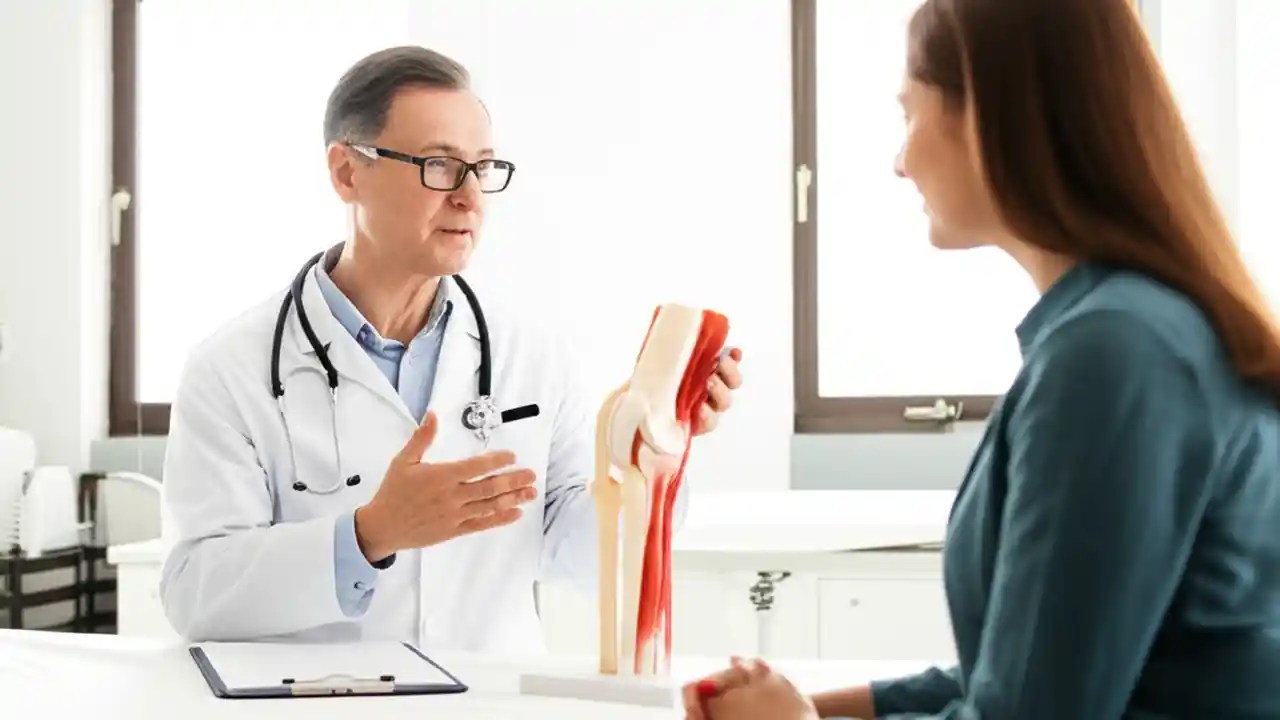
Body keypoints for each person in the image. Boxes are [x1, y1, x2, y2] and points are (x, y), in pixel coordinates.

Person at [684, 0, 1280, 718]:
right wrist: (827, 707)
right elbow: (1026, 668)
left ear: (994, 115)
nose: (899, 161)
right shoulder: (1134, 330)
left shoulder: (1111, 355)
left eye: (910, 113)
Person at [157, 46, 743, 653]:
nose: (470, 196)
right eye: (439, 165)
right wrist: (368, 535)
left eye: (483, 167)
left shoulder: (533, 358)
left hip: (490, 703)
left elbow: (584, 559)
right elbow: (196, 591)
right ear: (346, 173)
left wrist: (654, 457)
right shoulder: (230, 370)